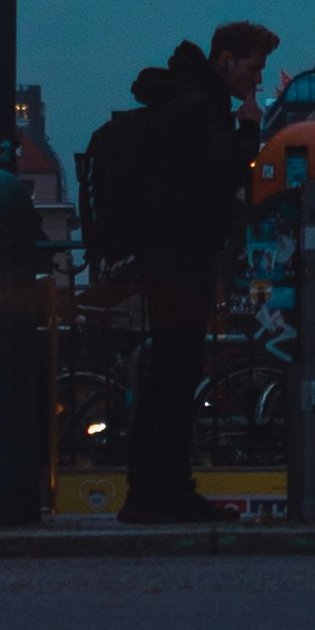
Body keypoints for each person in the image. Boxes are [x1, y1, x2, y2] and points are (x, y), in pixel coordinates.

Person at [108, 32, 263, 525]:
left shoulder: (184, 99)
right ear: (225, 61)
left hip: (165, 250)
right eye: (253, 67)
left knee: (167, 375)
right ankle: (167, 492)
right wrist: (249, 128)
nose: (257, 78)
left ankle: (151, 491)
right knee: (176, 374)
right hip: (181, 252)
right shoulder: (200, 106)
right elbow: (228, 168)